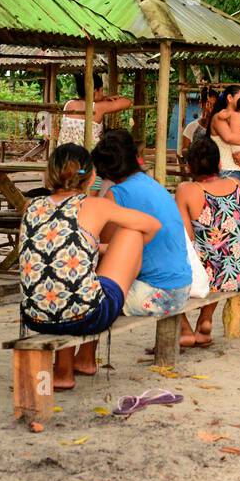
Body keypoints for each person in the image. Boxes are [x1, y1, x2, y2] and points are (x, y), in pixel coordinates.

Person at [18, 144, 161, 389]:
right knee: (131, 234)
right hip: (87, 315)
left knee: (68, 273)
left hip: (35, 316)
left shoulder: (30, 206)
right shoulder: (95, 206)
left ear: (48, 174)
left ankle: (64, 370)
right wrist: (119, 253)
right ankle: (82, 358)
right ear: (92, 176)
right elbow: (152, 225)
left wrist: (93, 248)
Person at [92, 130, 192, 317]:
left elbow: (111, 255)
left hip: (156, 293)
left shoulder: (116, 195)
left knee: (89, 302)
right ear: (135, 157)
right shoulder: (153, 185)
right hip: (182, 287)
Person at [176, 137, 240, 347]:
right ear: (219, 164)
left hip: (211, 276)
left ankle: (184, 328)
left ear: (190, 166)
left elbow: (185, 238)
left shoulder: (187, 189)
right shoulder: (236, 183)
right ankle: (205, 319)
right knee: (222, 253)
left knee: (174, 262)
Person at [208, 84, 240, 217]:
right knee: (230, 222)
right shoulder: (219, 117)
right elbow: (229, 137)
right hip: (228, 172)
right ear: (230, 98)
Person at [57, 73, 134, 147]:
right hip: (87, 156)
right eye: (101, 90)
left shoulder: (69, 104)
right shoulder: (97, 107)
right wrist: (105, 99)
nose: (103, 94)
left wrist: (103, 98)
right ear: (94, 91)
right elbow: (127, 102)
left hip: (64, 155)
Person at [179, 89, 220, 169]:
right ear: (201, 104)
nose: (211, 108)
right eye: (208, 104)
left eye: (214, 105)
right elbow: (184, 150)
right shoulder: (191, 127)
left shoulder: (221, 128)